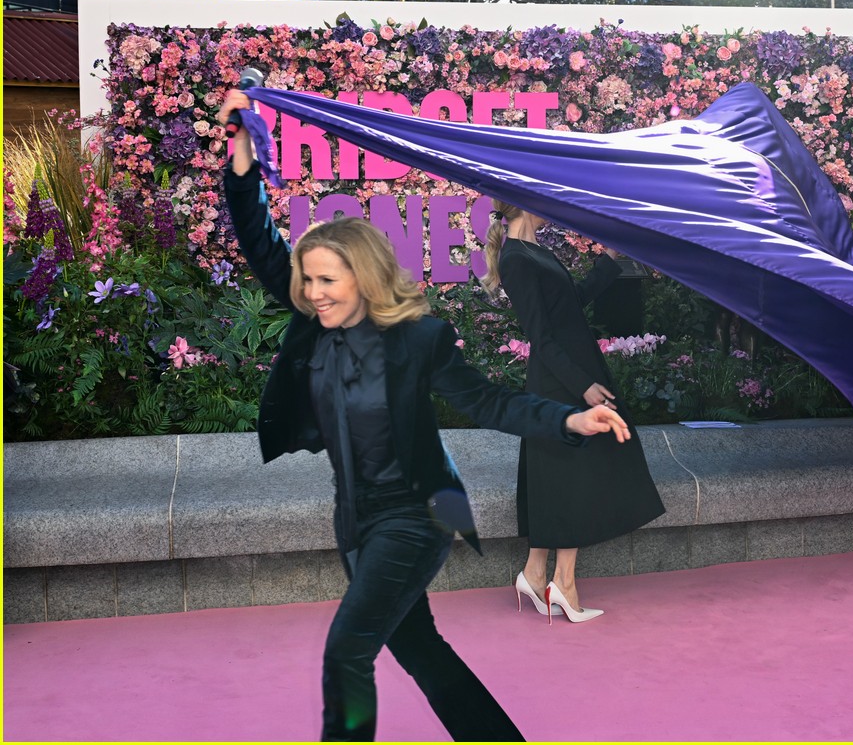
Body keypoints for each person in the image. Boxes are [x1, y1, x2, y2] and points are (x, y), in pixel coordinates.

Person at [217, 90, 631, 741]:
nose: (315, 292)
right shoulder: (316, 328)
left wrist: (569, 421)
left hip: (415, 517)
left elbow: (489, 400)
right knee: (421, 651)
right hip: (358, 521)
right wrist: (243, 156)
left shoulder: (419, 339)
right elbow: (260, 239)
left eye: (330, 280)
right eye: (310, 281)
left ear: (366, 278)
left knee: (346, 649)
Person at [481, 200, 666, 623]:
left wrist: (609, 259)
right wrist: (582, 387)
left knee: (563, 475)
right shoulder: (515, 257)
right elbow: (540, 337)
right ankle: (562, 583)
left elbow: (571, 303)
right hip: (560, 381)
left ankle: (534, 572)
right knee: (574, 476)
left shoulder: (537, 252)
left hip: (573, 373)